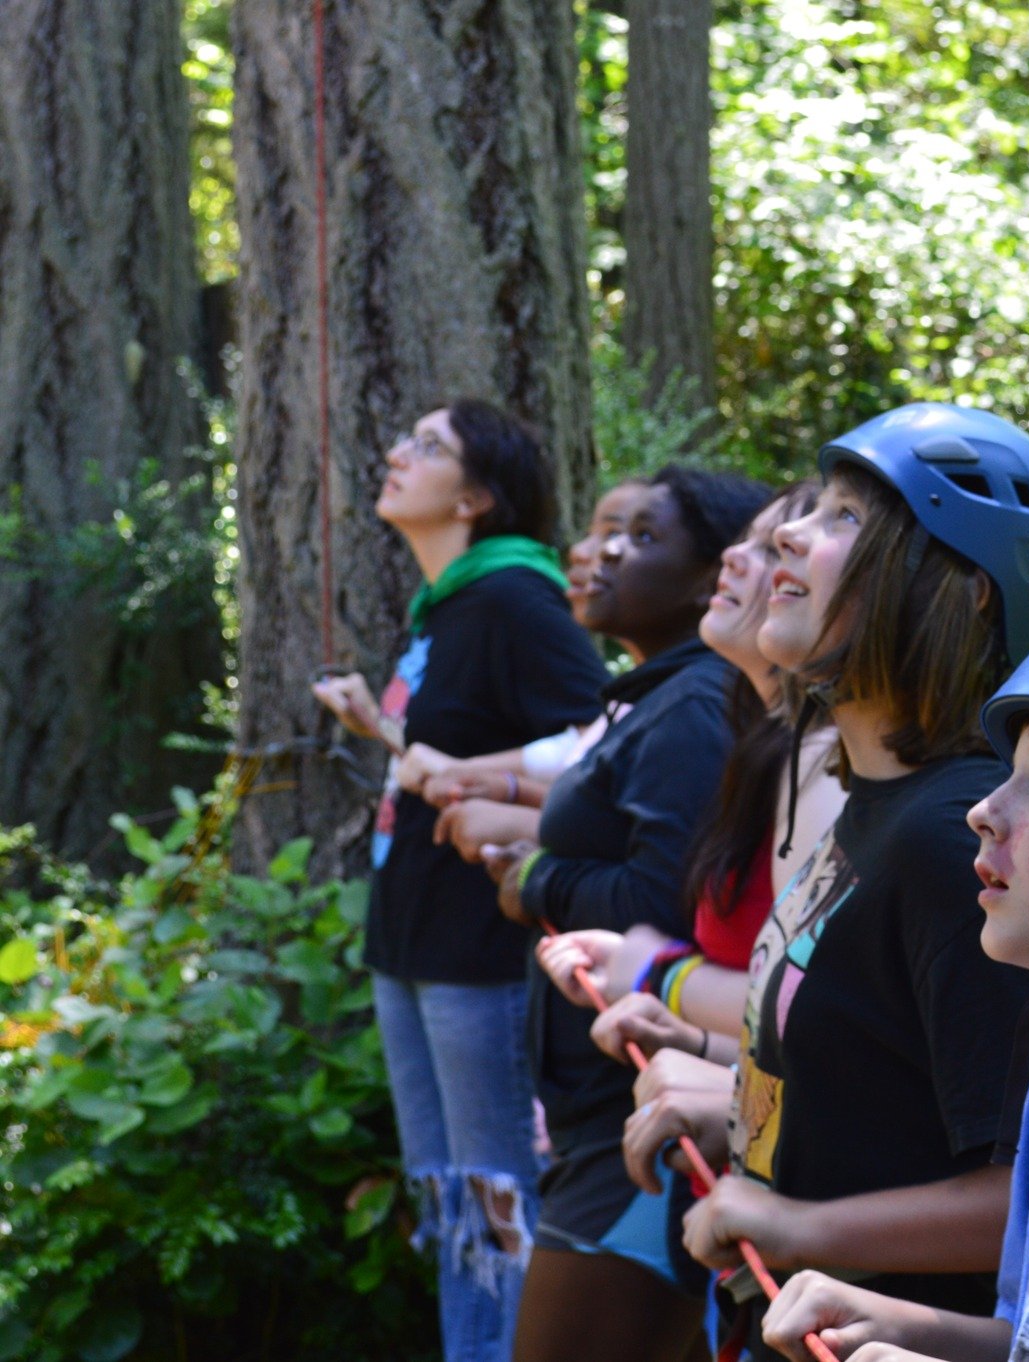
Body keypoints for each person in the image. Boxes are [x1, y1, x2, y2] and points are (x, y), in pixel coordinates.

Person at [648, 403, 1029, 1355]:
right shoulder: (878, 802)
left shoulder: (958, 836)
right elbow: (879, 1084)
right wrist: (738, 1116)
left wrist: (804, 1229)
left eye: (843, 517)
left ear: (962, 591)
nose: (791, 532)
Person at [311, 400, 609, 1362]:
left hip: (480, 953)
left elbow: (600, 743)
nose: (396, 452)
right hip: (410, 943)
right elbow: (451, 764)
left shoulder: (519, 599)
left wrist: (487, 778)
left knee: (495, 1195)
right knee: (448, 1192)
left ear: (477, 497)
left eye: (429, 447)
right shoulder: (447, 608)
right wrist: (381, 732)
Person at [757, 637, 1029, 1362]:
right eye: (1012, 772)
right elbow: (1028, 1339)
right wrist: (896, 1324)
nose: (984, 810)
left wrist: (803, 1226)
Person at [475, 465, 772, 1362]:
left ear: (709, 575)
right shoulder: (657, 695)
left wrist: (536, 880)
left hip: (642, 1113)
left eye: (641, 538)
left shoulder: (687, 710)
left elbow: (659, 898)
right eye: (600, 529)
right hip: (611, 1108)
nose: (601, 552)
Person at [534, 481, 845, 1077]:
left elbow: (823, 1020)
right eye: (749, 541)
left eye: (777, 551)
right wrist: (694, 1043)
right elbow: (793, 1036)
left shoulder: (823, 760)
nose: (735, 557)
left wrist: (658, 972)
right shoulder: (765, 742)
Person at [422, 477, 648, 862]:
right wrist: (512, 789)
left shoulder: (517, 595)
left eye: (631, 536)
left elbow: (652, 874)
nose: (580, 552)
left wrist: (533, 876)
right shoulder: (438, 601)